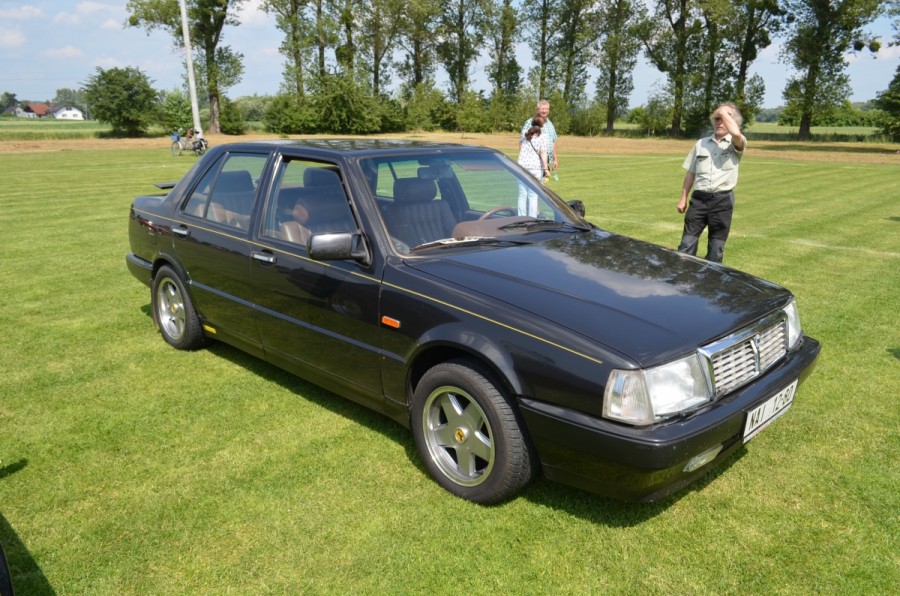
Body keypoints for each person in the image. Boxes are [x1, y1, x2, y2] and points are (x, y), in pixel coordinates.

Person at [676, 102, 746, 263]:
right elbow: (691, 172)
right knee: (686, 246)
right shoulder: (701, 144)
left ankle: (710, 280)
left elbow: (736, 133)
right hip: (699, 200)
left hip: (722, 202)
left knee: (716, 251)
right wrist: (683, 198)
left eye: (724, 118)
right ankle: (683, 276)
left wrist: (722, 111)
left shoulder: (737, 142)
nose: (719, 122)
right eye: (716, 118)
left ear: (734, 121)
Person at [517, 116, 550, 216]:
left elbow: (520, 145)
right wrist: (546, 168)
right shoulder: (543, 136)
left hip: (522, 166)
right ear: (542, 125)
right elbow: (543, 153)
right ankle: (532, 218)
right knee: (533, 195)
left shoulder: (524, 133)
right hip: (535, 167)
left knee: (522, 195)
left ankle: (521, 217)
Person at [521, 99, 559, 174]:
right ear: (537, 110)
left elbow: (553, 142)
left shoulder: (550, 124)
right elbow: (523, 141)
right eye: (542, 109)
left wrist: (555, 159)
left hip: (546, 160)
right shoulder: (530, 122)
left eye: (546, 109)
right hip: (533, 160)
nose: (544, 111)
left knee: (543, 180)